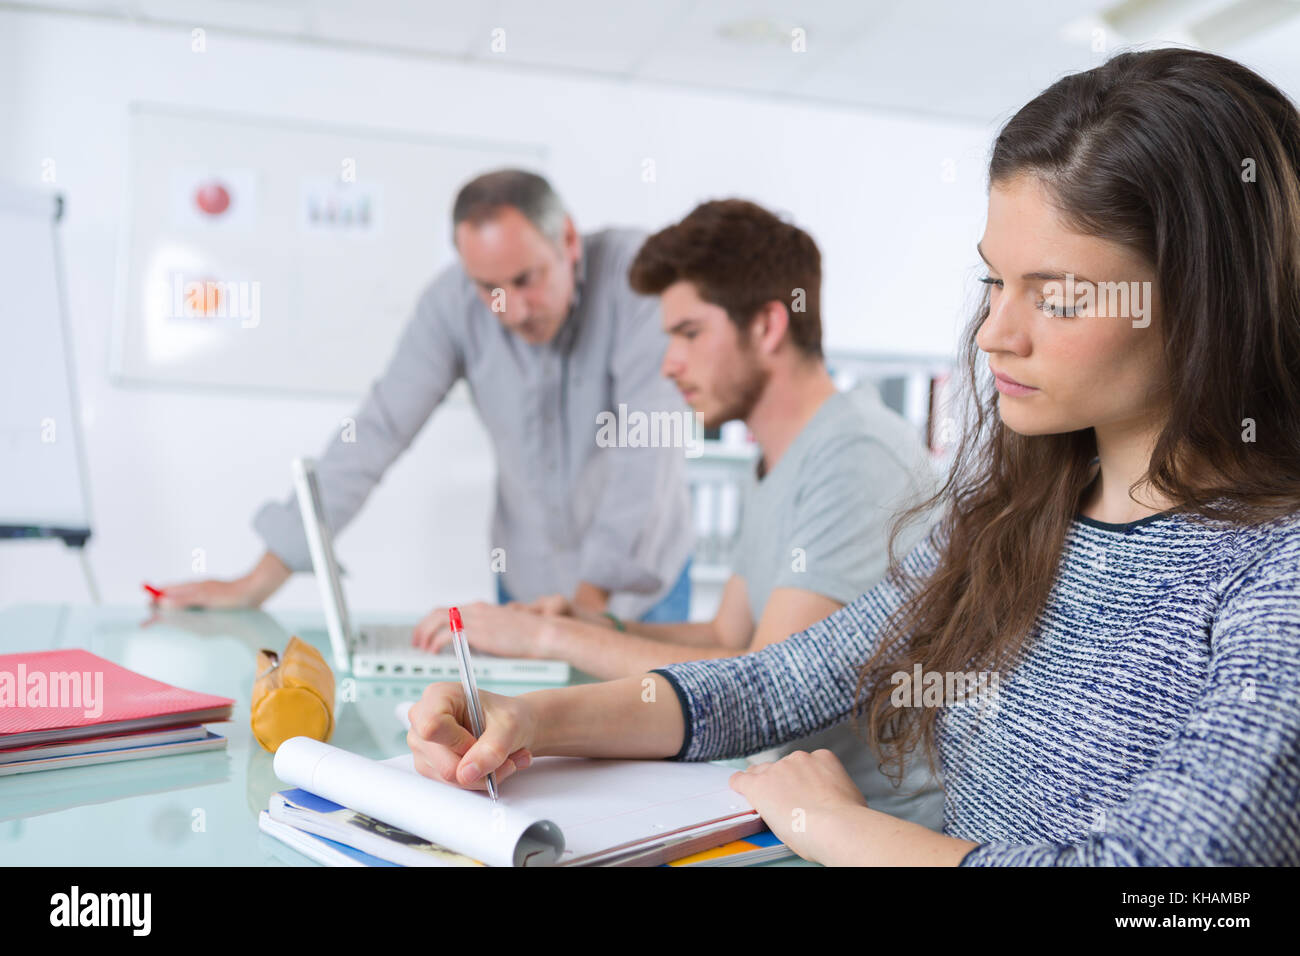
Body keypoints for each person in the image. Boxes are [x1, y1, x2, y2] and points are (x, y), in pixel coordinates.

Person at [404, 49, 1300, 866]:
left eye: (1056, 296)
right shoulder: (1018, 513)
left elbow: (1177, 896)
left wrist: (843, 829)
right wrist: (525, 720)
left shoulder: (1275, 571)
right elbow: (768, 684)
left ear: (1206, 300)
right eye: (994, 282)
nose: (995, 333)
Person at [411, 199, 945, 828]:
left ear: (769, 326)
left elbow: (760, 685)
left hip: (866, 824)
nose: (668, 362)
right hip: (777, 797)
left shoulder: (855, 454)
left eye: (689, 334)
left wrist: (545, 638)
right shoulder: (781, 457)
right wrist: (591, 619)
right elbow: (726, 638)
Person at [153, 169, 694, 624]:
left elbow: (648, 449)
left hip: (640, 583)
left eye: (526, 279)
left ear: (569, 241)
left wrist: (588, 605)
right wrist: (258, 580)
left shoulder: (638, 283)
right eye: (489, 288)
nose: (512, 310)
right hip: (529, 581)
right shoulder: (451, 304)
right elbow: (378, 429)